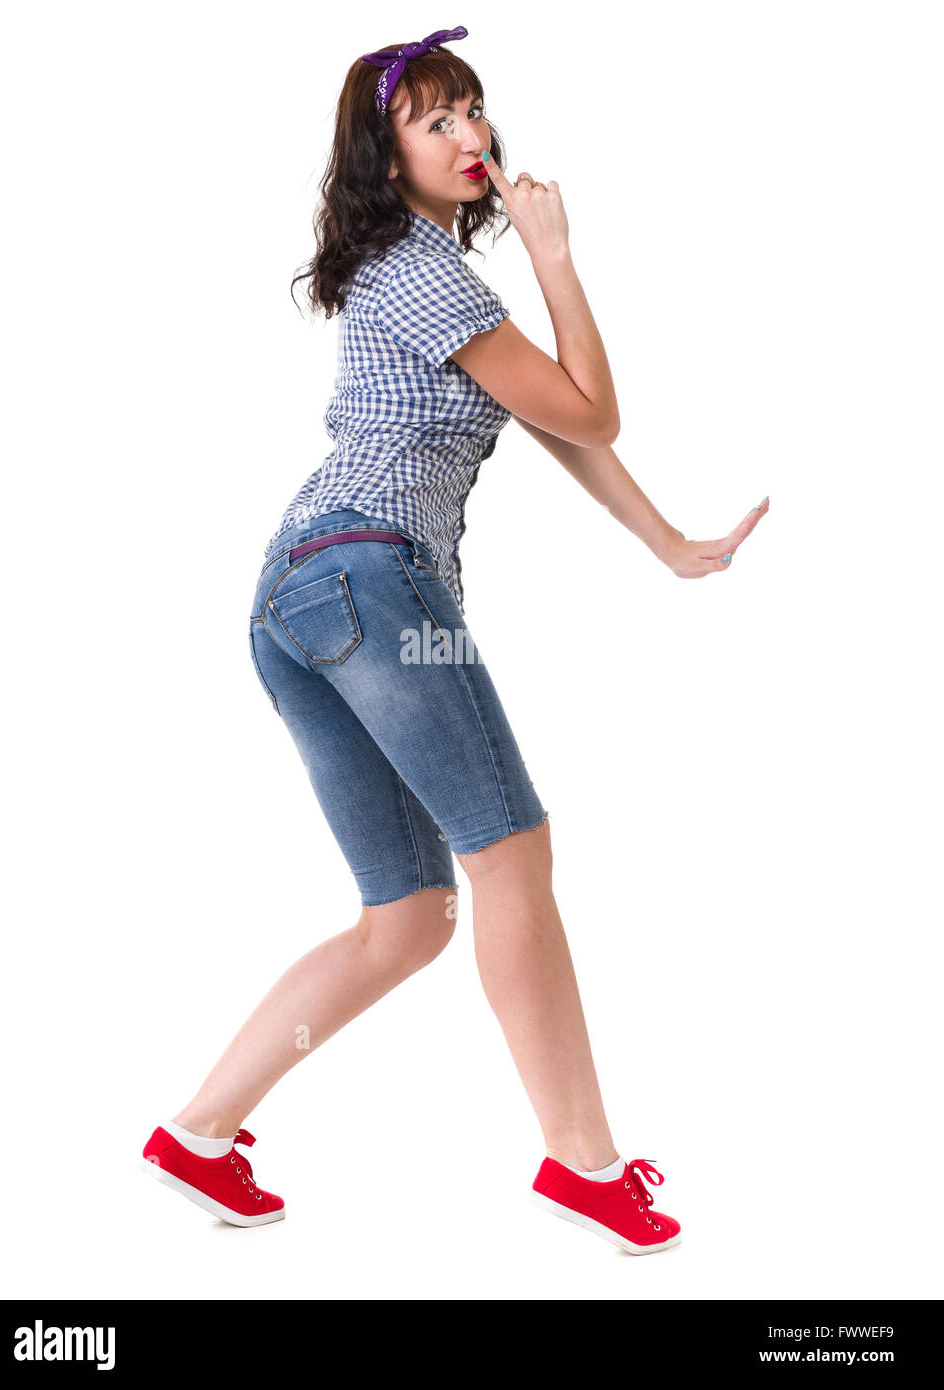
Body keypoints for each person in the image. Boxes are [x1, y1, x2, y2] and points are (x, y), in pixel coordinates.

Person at [140, 26, 768, 1252]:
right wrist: (554, 258)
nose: (471, 134)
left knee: (410, 914)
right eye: (435, 120)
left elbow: (558, 426)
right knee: (512, 857)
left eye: (473, 108)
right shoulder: (431, 275)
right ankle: (585, 1168)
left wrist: (665, 539)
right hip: (374, 580)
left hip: (298, 598)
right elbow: (591, 400)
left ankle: (196, 1136)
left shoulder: (412, 275)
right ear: (385, 151)